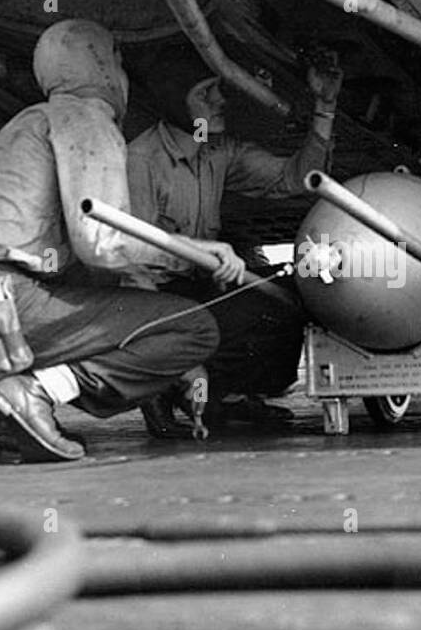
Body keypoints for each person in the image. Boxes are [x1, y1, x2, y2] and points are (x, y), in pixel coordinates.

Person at [0, 19, 225, 462]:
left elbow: (89, 262)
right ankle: (35, 394)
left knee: (103, 290)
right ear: (103, 65)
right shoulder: (87, 117)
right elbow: (101, 241)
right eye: (118, 63)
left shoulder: (24, 125)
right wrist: (196, 252)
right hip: (4, 311)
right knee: (193, 327)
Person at [124, 57, 341, 429]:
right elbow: (128, 258)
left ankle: (228, 396)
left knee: (297, 292)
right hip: (153, 297)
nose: (220, 100)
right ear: (177, 103)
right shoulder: (142, 161)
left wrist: (325, 108)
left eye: (217, 89)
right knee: (254, 313)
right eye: (205, 93)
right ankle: (163, 385)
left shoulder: (215, 148)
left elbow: (296, 178)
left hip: (200, 284)